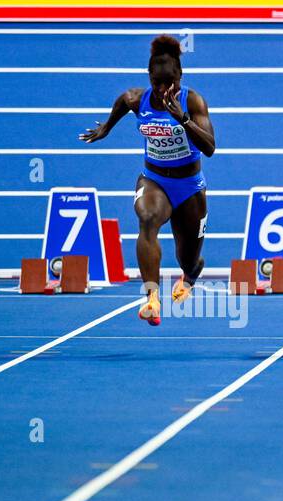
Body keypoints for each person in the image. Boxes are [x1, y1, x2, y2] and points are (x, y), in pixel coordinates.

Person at [79, 34, 215, 327]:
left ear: (180, 76)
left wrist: (183, 119)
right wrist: (106, 127)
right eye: (158, 83)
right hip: (155, 179)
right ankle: (151, 298)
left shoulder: (192, 101)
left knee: (188, 257)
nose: (165, 89)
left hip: (189, 185)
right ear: (150, 77)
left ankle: (190, 275)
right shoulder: (135, 98)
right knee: (148, 218)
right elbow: (122, 104)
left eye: (171, 82)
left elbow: (210, 148)